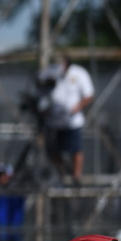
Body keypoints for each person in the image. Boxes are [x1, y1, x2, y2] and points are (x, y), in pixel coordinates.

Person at [43, 52, 95, 183]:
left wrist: (77, 107)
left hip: (72, 121)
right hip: (54, 121)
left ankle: (76, 177)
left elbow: (89, 94)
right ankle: (60, 175)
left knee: (75, 149)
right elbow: (40, 91)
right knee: (53, 151)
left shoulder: (79, 73)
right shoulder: (48, 73)